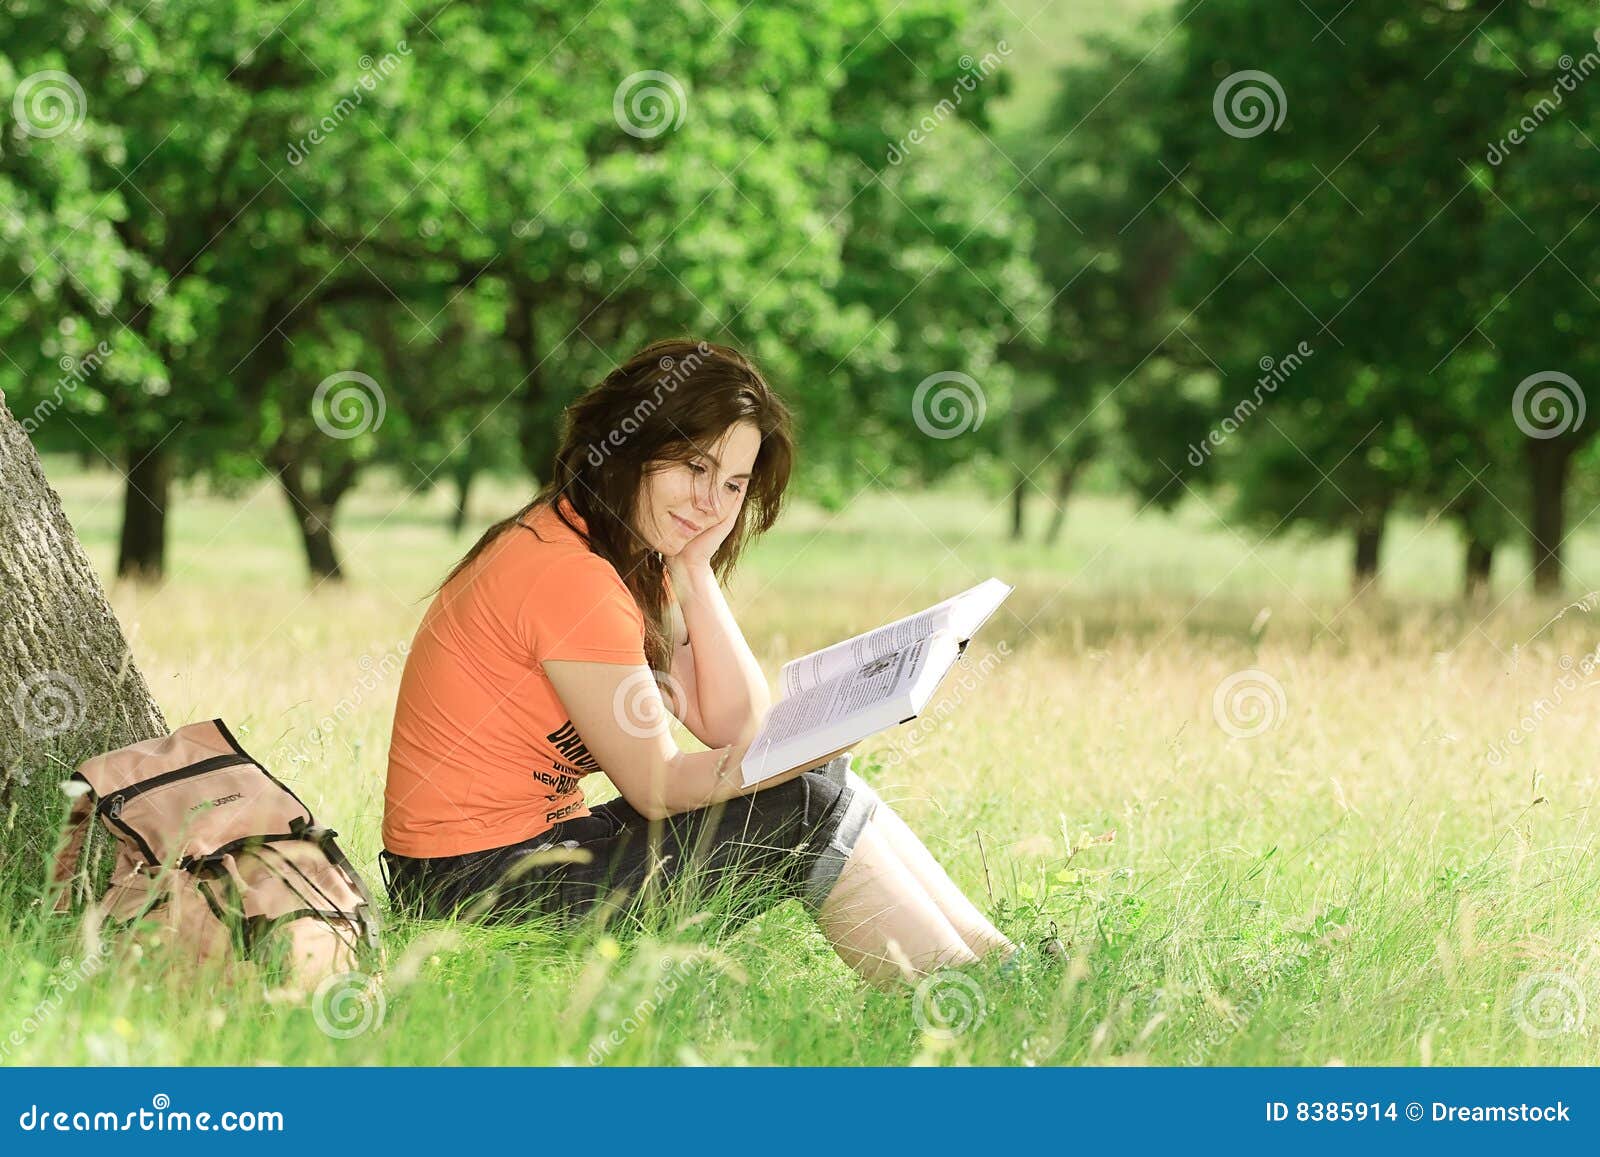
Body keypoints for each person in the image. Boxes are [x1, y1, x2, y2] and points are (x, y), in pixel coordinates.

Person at [379, 338, 1015, 986]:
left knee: (821, 779)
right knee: (803, 806)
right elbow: (659, 787)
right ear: (632, 445)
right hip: (470, 895)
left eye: (734, 483)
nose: (713, 502)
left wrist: (692, 566)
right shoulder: (569, 574)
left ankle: (997, 967)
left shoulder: (622, 551)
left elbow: (736, 726)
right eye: (694, 466)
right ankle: (953, 1001)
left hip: (524, 859)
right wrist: (805, 750)